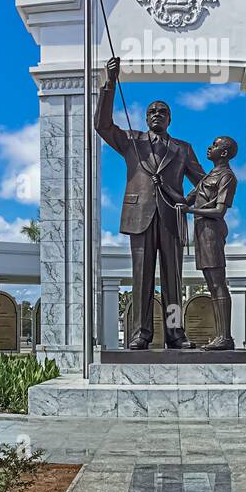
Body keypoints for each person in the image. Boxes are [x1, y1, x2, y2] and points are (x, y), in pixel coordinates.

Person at [95, 56, 205, 349]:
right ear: (146, 118)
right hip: (139, 214)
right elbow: (102, 125)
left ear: (170, 119)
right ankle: (140, 333)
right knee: (141, 277)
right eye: (152, 111)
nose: (157, 114)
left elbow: (203, 183)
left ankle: (174, 332)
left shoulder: (183, 148)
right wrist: (110, 84)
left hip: (171, 217)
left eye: (163, 111)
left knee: (173, 279)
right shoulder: (132, 140)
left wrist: (186, 200)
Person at [180, 135, 239, 350]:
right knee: (212, 284)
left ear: (223, 153)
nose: (209, 147)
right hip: (201, 232)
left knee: (217, 283)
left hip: (212, 232)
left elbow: (219, 211)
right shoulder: (207, 177)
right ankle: (221, 336)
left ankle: (225, 338)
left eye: (214, 145)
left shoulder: (227, 177)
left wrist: (191, 211)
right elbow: (184, 199)